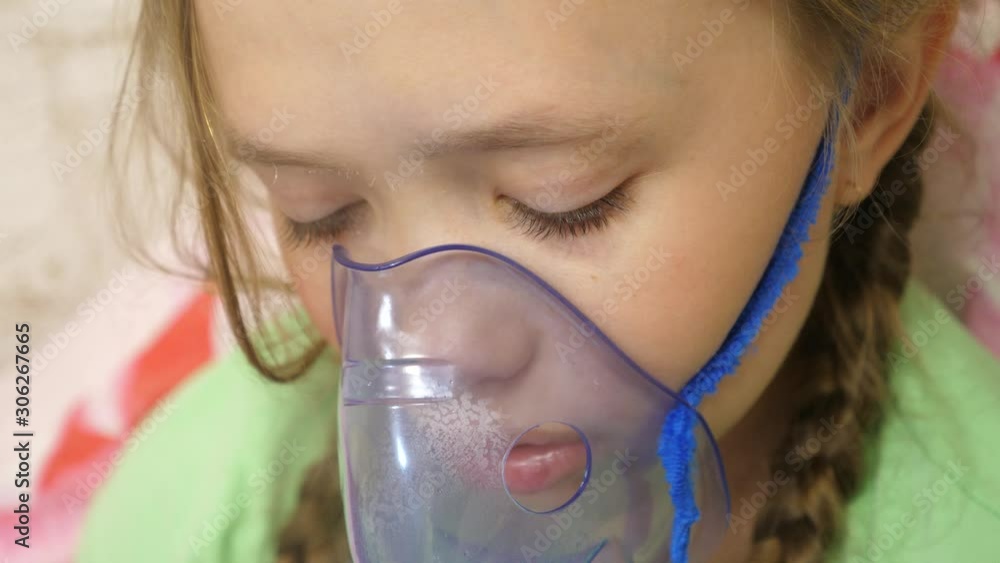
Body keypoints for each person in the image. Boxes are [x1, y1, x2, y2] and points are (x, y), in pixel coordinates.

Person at [78, 0, 1000, 561]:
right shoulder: (196, 506)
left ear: (869, 97)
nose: (436, 349)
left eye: (566, 202)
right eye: (317, 211)